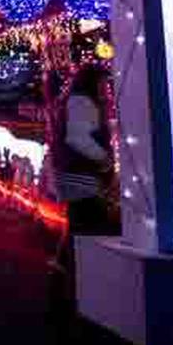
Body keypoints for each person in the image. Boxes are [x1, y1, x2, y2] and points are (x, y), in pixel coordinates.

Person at [48, 64, 117, 308]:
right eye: (102, 82)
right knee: (89, 227)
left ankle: (63, 282)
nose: (106, 88)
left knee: (79, 227)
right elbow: (78, 139)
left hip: (75, 174)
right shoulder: (81, 102)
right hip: (81, 175)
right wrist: (105, 158)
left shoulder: (76, 101)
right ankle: (81, 289)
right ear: (92, 82)